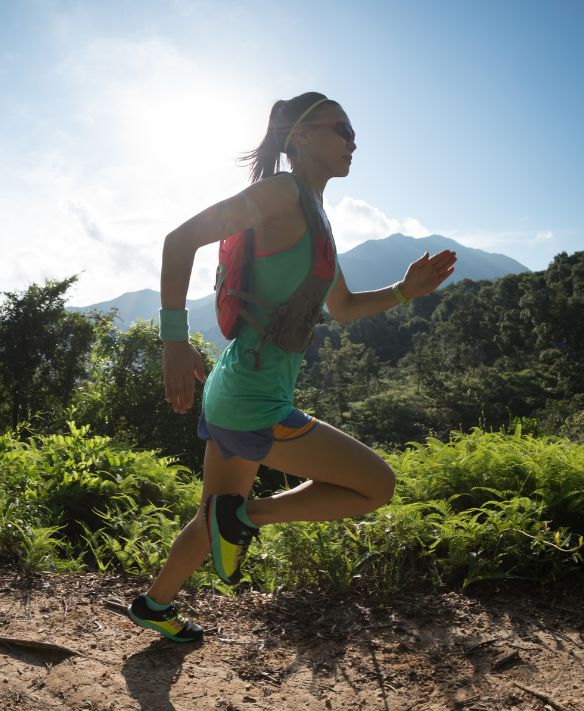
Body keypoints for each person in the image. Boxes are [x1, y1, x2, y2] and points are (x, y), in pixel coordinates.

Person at [127, 91, 457, 642]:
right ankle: (248, 518)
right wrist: (174, 341)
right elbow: (178, 240)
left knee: (214, 509)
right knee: (376, 485)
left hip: (243, 386)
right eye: (342, 129)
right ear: (301, 136)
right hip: (253, 396)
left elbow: (343, 308)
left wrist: (405, 291)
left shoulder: (317, 215)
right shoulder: (280, 193)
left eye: (353, 133)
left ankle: (155, 605)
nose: (353, 141)